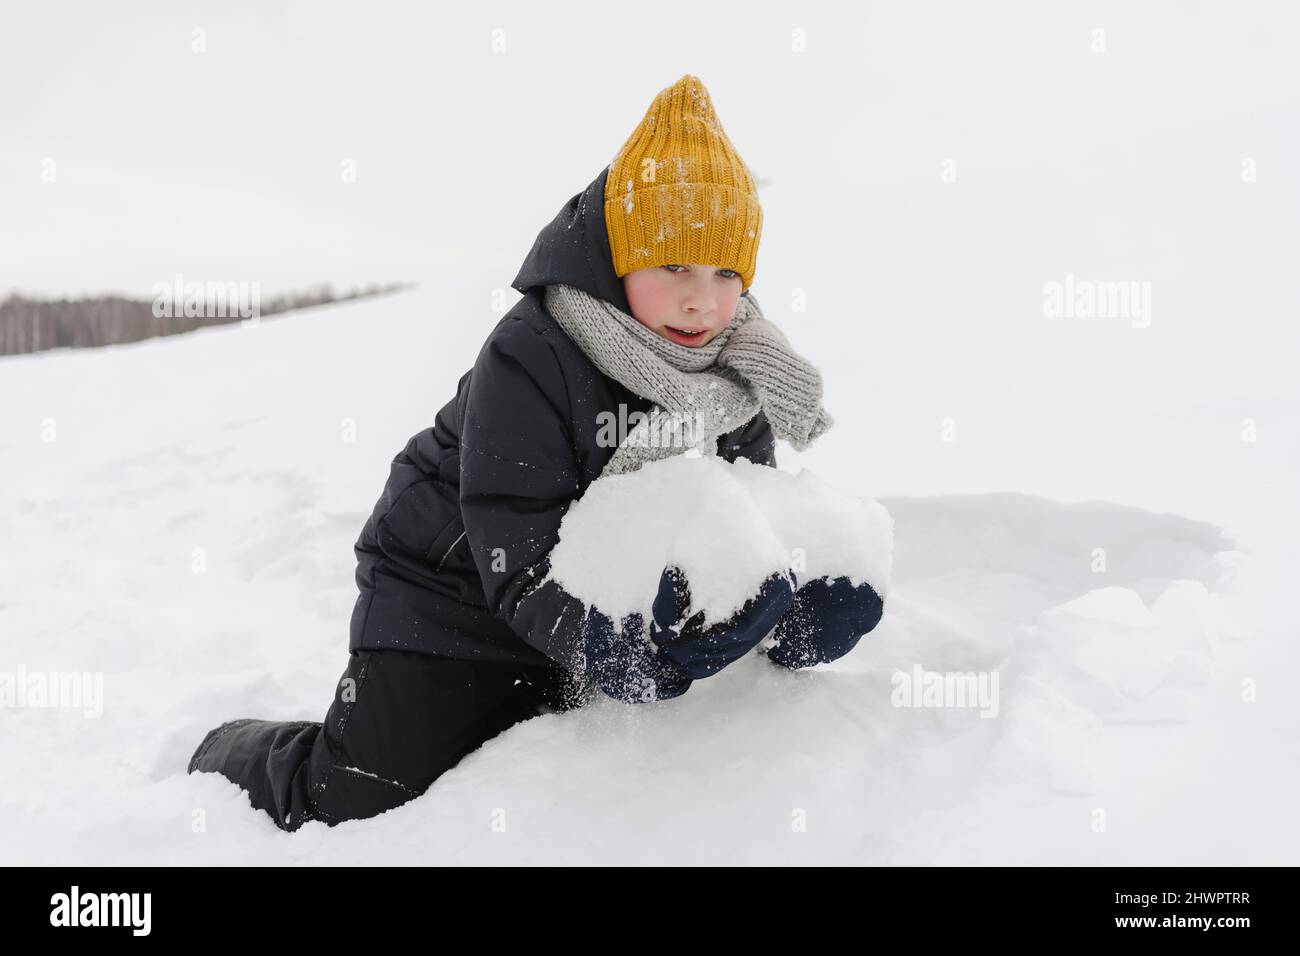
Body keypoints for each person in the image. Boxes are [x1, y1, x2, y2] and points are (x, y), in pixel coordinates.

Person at [187, 74, 884, 832]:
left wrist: (787, 616)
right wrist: (622, 655)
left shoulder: (735, 370)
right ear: (621, 258)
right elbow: (514, 550)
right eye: (674, 265)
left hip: (583, 616)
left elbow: (736, 524)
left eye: (725, 273)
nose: (701, 300)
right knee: (362, 798)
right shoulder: (537, 351)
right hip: (447, 594)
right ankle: (231, 752)